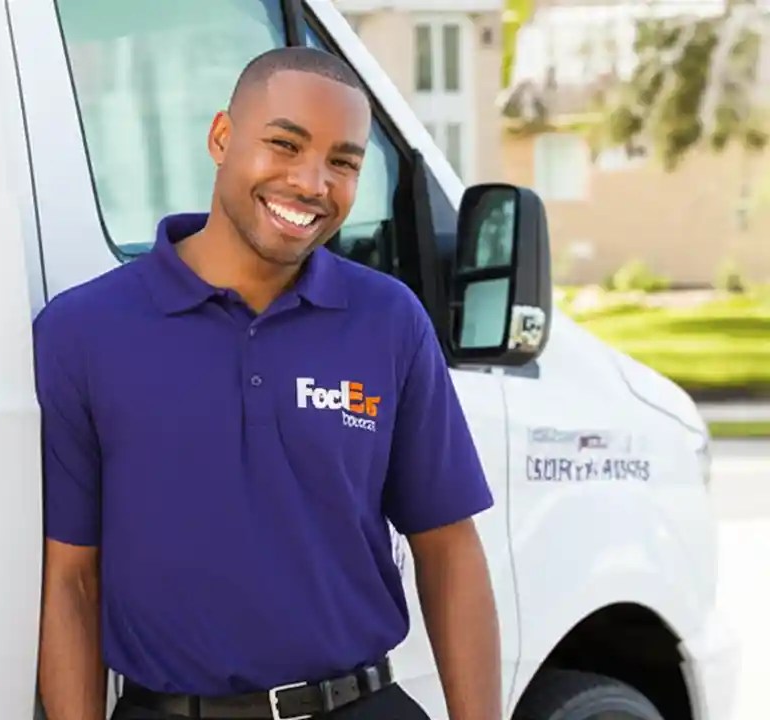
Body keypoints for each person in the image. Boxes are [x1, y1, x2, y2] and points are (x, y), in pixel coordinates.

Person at [33, 46, 501, 720]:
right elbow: (72, 581)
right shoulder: (83, 331)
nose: (312, 183)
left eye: (342, 162)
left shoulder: (388, 320)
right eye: (285, 144)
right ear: (222, 137)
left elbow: (449, 548)